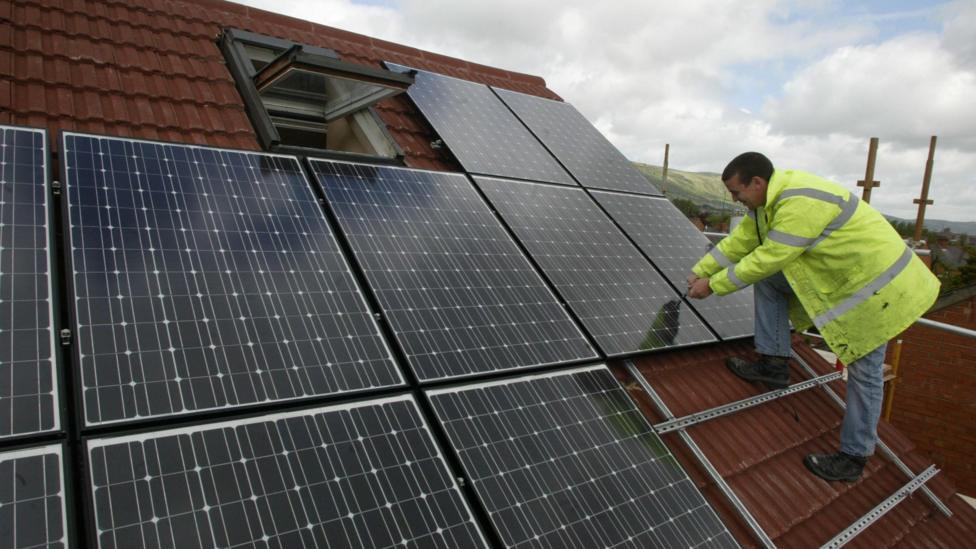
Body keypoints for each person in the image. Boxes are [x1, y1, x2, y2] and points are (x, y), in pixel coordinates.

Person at [686, 152, 939, 482]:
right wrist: (701, 270)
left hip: (881, 290)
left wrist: (713, 285)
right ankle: (774, 364)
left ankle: (854, 457)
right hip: (850, 279)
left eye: (737, 192)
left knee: (865, 372)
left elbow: (770, 257)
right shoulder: (768, 204)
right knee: (769, 282)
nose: (735, 199)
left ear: (757, 182)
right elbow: (741, 242)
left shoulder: (798, 204)